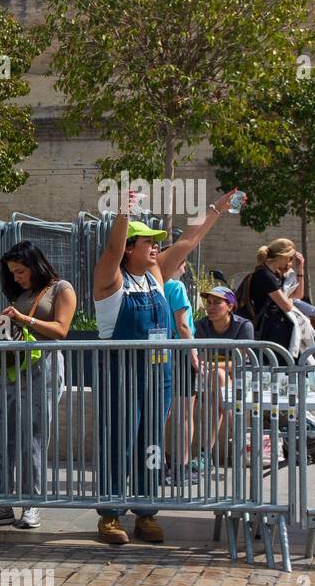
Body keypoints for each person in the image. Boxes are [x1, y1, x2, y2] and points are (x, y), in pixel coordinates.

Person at [92, 190, 237, 545]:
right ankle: (110, 515)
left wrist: (216, 208)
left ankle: (147, 512)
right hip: (122, 377)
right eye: (148, 242)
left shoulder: (156, 274)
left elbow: (189, 239)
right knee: (120, 444)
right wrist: (124, 212)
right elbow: (112, 249)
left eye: (157, 243)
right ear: (130, 248)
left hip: (159, 378)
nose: (156, 247)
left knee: (151, 445)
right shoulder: (110, 279)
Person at [0, 241, 77, 530]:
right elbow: (16, 329)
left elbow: (61, 329)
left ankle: (32, 503)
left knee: (33, 435)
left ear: (35, 265)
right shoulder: (22, 293)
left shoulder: (61, 289)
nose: (16, 277)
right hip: (11, 368)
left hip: (43, 368)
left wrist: (25, 318)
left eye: (20, 271)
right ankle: (1, 502)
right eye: (13, 273)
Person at [193, 285, 255, 465]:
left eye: (217, 303)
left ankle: (206, 453)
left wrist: (213, 365)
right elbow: (200, 359)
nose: (210, 307)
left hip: (239, 381)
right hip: (209, 381)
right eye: (209, 302)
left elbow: (240, 361)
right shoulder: (201, 326)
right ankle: (236, 435)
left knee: (219, 378)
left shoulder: (244, 326)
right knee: (219, 376)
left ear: (230, 306)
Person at [161, 253, 199, 486]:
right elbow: (183, 324)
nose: (184, 270)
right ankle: (182, 468)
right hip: (180, 352)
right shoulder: (176, 286)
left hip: (158, 353)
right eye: (183, 264)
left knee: (161, 413)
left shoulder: (150, 284)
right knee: (185, 414)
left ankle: (159, 466)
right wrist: (193, 352)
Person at [238, 238, 302, 353]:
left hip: (273, 328)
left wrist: (300, 270)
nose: (290, 262)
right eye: (290, 258)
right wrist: (289, 301)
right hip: (270, 330)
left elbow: (298, 295)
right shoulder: (266, 276)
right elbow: (286, 307)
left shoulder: (273, 274)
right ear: (283, 256)